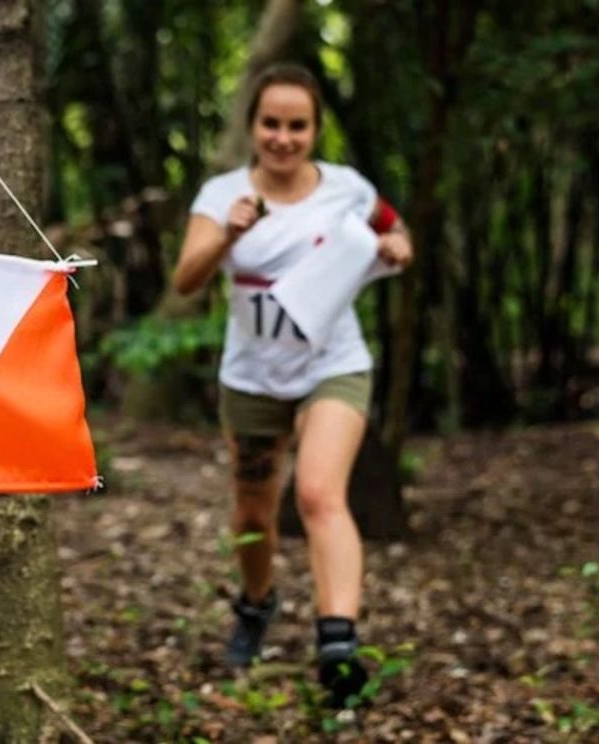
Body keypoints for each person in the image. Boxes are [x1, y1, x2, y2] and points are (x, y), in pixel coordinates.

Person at [171, 62, 413, 707]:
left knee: (316, 493)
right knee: (253, 510)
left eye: (297, 125)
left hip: (334, 364)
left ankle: (338, 646)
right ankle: (256, 604)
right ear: (253, 126)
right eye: (271, 124)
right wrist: (231, 233)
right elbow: (186, 280)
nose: (283, 137)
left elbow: (396, 229)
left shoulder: (347, 188)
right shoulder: (223, 195)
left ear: (315, 130)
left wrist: (397, 248)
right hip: (252, 376)